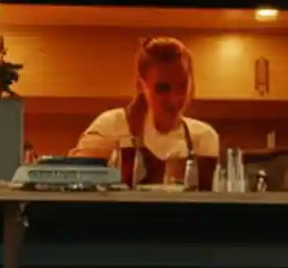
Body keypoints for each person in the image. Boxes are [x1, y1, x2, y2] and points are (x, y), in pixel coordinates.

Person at [69, 36, 220, 189]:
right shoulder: (110, 127)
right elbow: (76, 184)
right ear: (141, 86)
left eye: (182, 86)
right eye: (162, 89)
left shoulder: (203, 138)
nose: (174, 98)